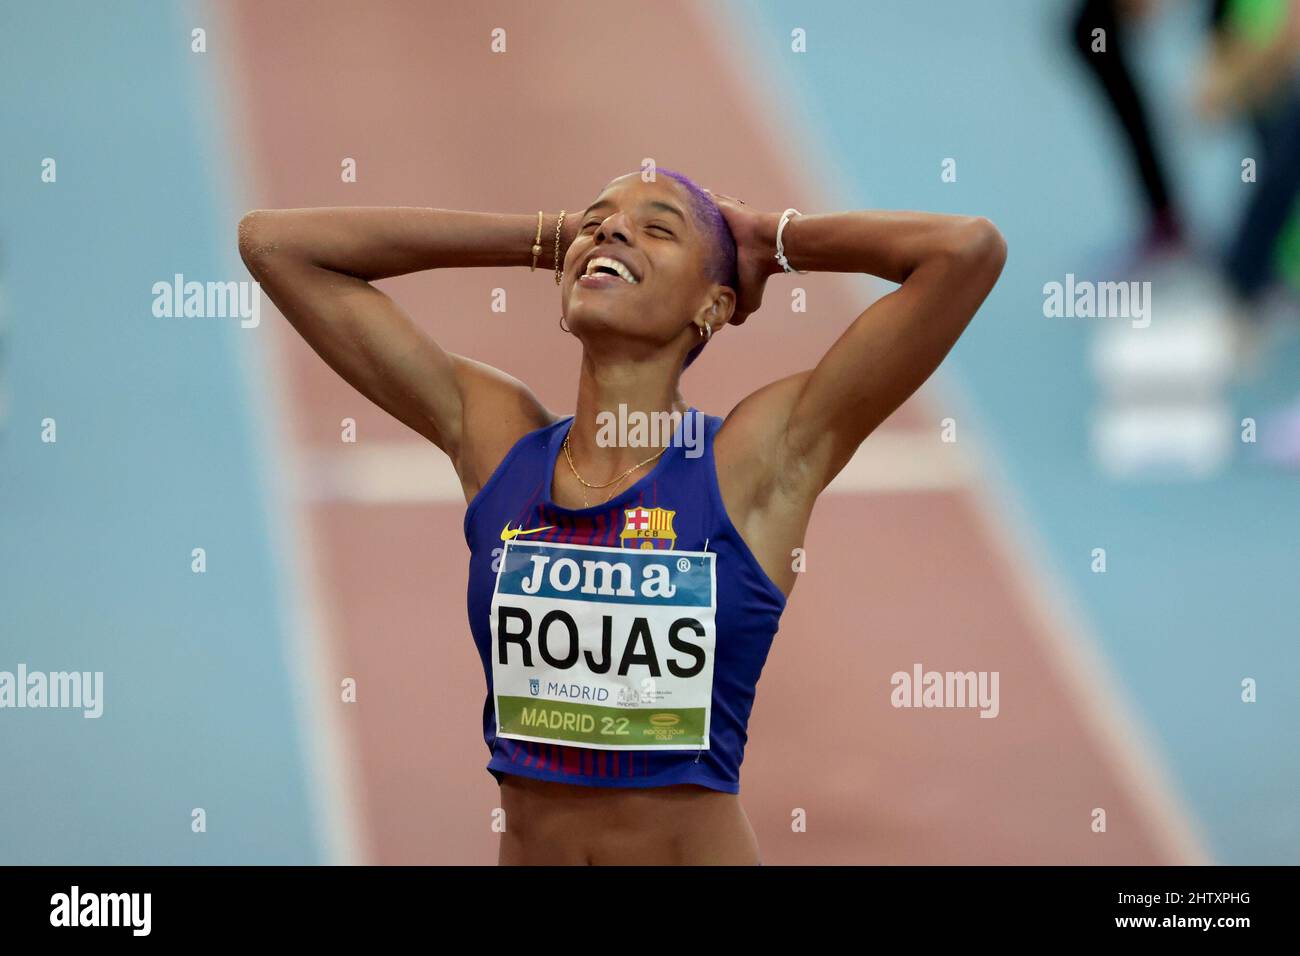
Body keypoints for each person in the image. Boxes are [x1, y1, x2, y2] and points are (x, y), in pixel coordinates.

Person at [237, 168, 1005, 864]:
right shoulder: (501, 445)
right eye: (597, 222)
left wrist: (770, 239)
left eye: (658, 228)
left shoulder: (752, 463)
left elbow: (964, 253)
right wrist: (544, 240)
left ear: (714, 303)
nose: (610, 232)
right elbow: (276, 244)